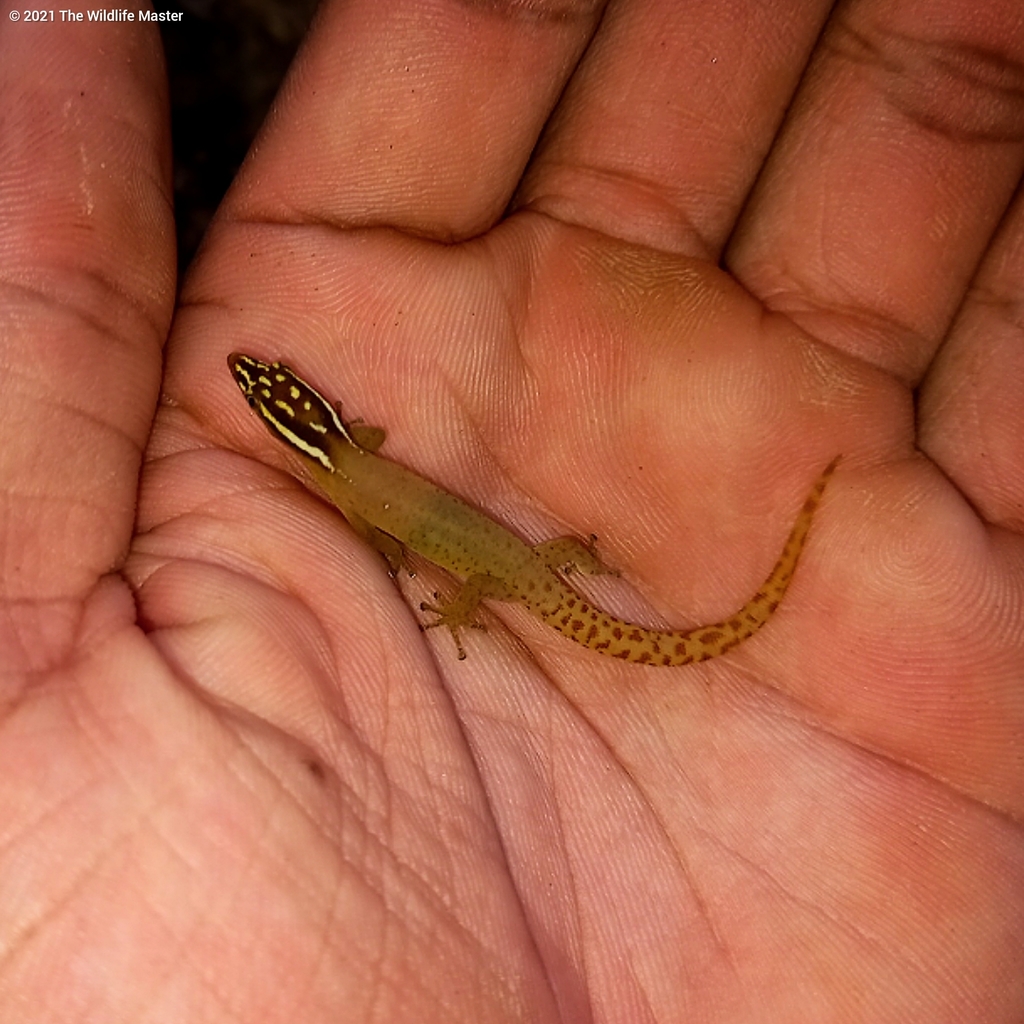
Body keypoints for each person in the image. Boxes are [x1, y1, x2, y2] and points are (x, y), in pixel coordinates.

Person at [2, 1, 1022, 1020]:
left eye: (269, 381)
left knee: (521, 578)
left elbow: (383, 537)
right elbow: (380, 482)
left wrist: (446, 597)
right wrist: (449, 565)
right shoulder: (352, 457)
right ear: (304, 416)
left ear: (293, 419)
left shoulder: (339, 482)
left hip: (508, 572)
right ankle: (614, 563)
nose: (262, 379)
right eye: (267, 385)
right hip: (525, 564)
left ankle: (621, 570)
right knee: (545, 569)